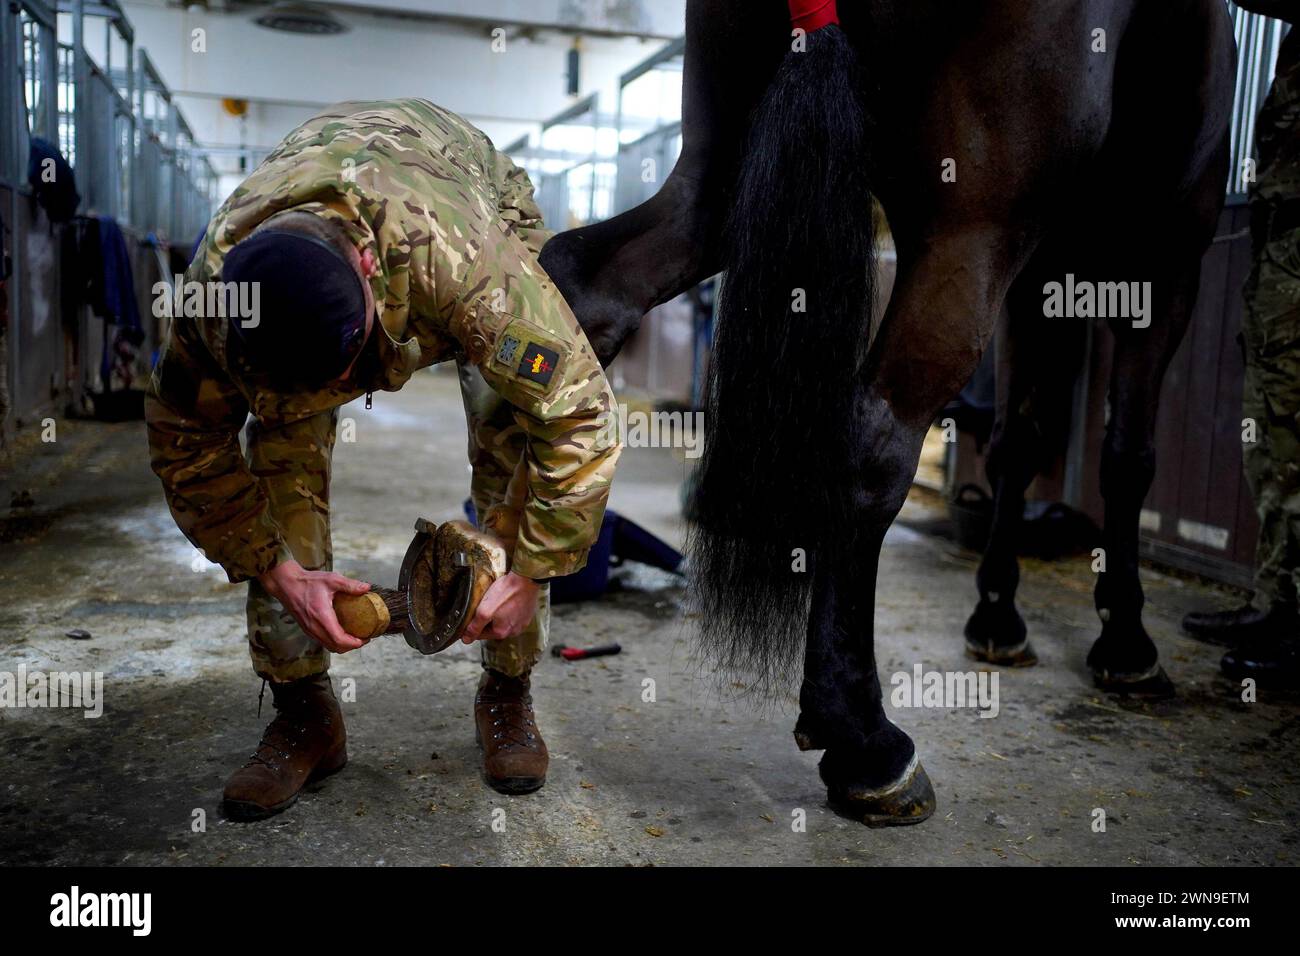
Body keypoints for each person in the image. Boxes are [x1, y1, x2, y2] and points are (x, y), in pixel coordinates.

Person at [145, 99, 622, 819]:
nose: (346, 395)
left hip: (466, 190)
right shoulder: (216, 300)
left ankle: (508, 687)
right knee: (281, 448)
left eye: (348, 371)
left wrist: (531, 570)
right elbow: (183, 437)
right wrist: (277, 569)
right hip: (328, 222)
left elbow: (579, 415)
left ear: (369, 268)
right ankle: (303, 712)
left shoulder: (466, 265)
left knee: (512, 432)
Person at [1183, 1, 1299, 686]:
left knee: (1288, 430)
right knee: (1274, 436)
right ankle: (1276, 601)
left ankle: (1291, 623)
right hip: (1280, 235)